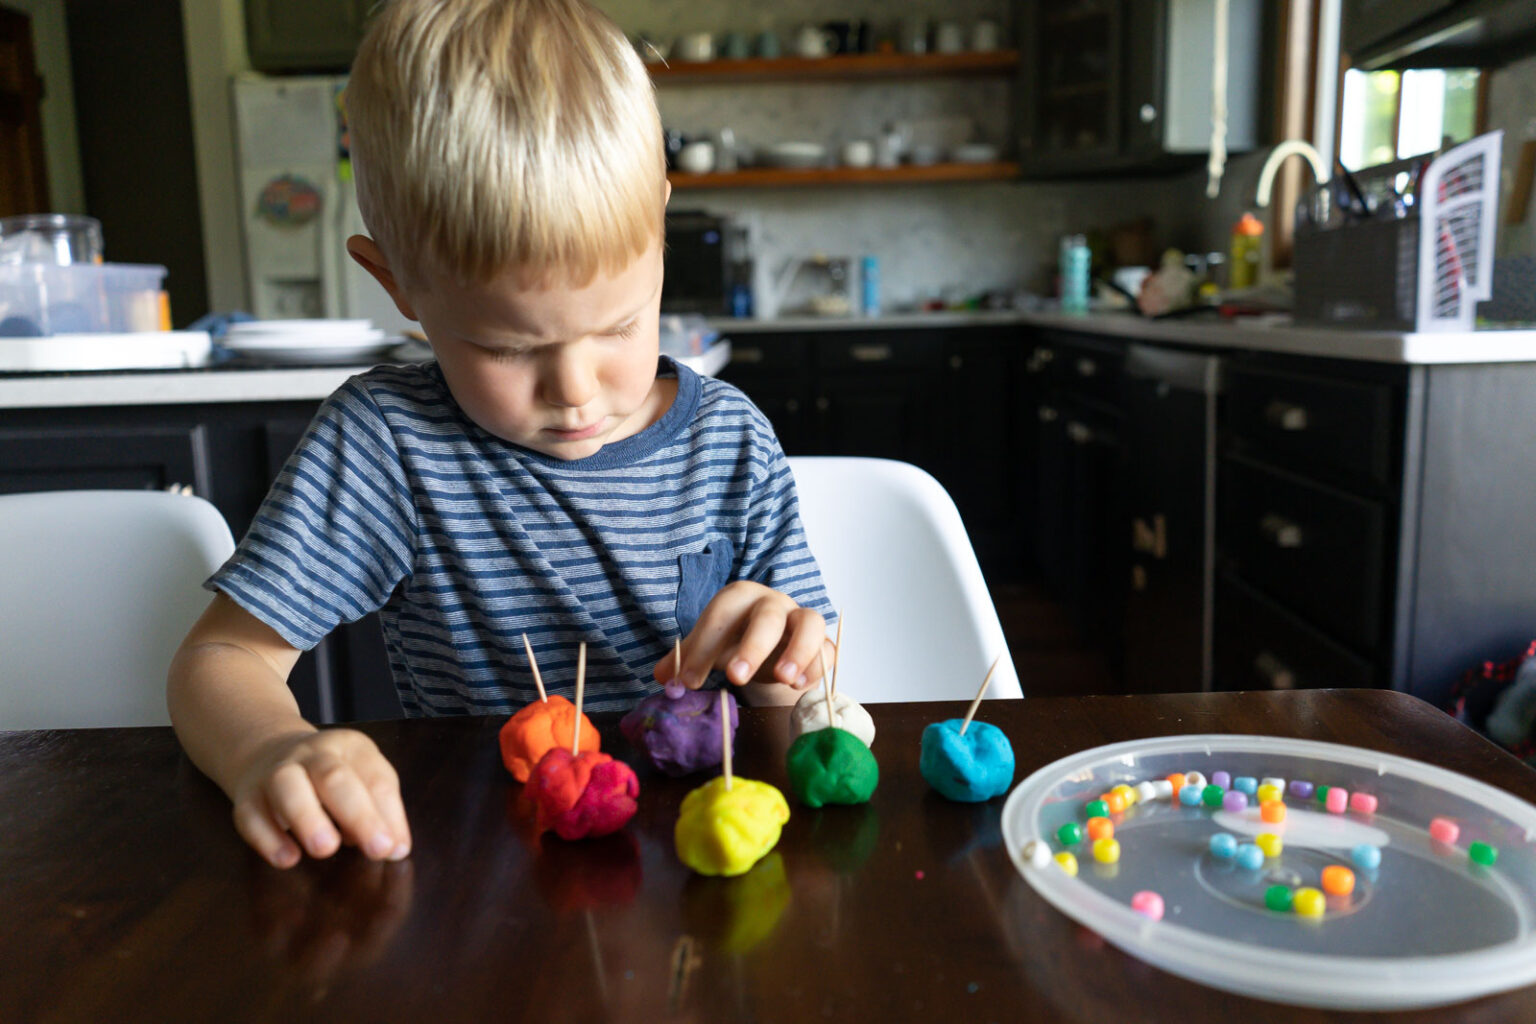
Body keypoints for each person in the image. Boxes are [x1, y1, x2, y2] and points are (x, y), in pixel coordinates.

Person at [168, 0, 834, 870]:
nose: (575, 389)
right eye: (507, 346)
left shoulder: (731, 442)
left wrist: (787, 663)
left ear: (661, 230)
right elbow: (220, 658)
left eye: (620, 326)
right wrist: (270, 748)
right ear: (395, 281)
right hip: (484, 872)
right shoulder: (390, 445)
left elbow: (805, 700)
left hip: (699, 866)